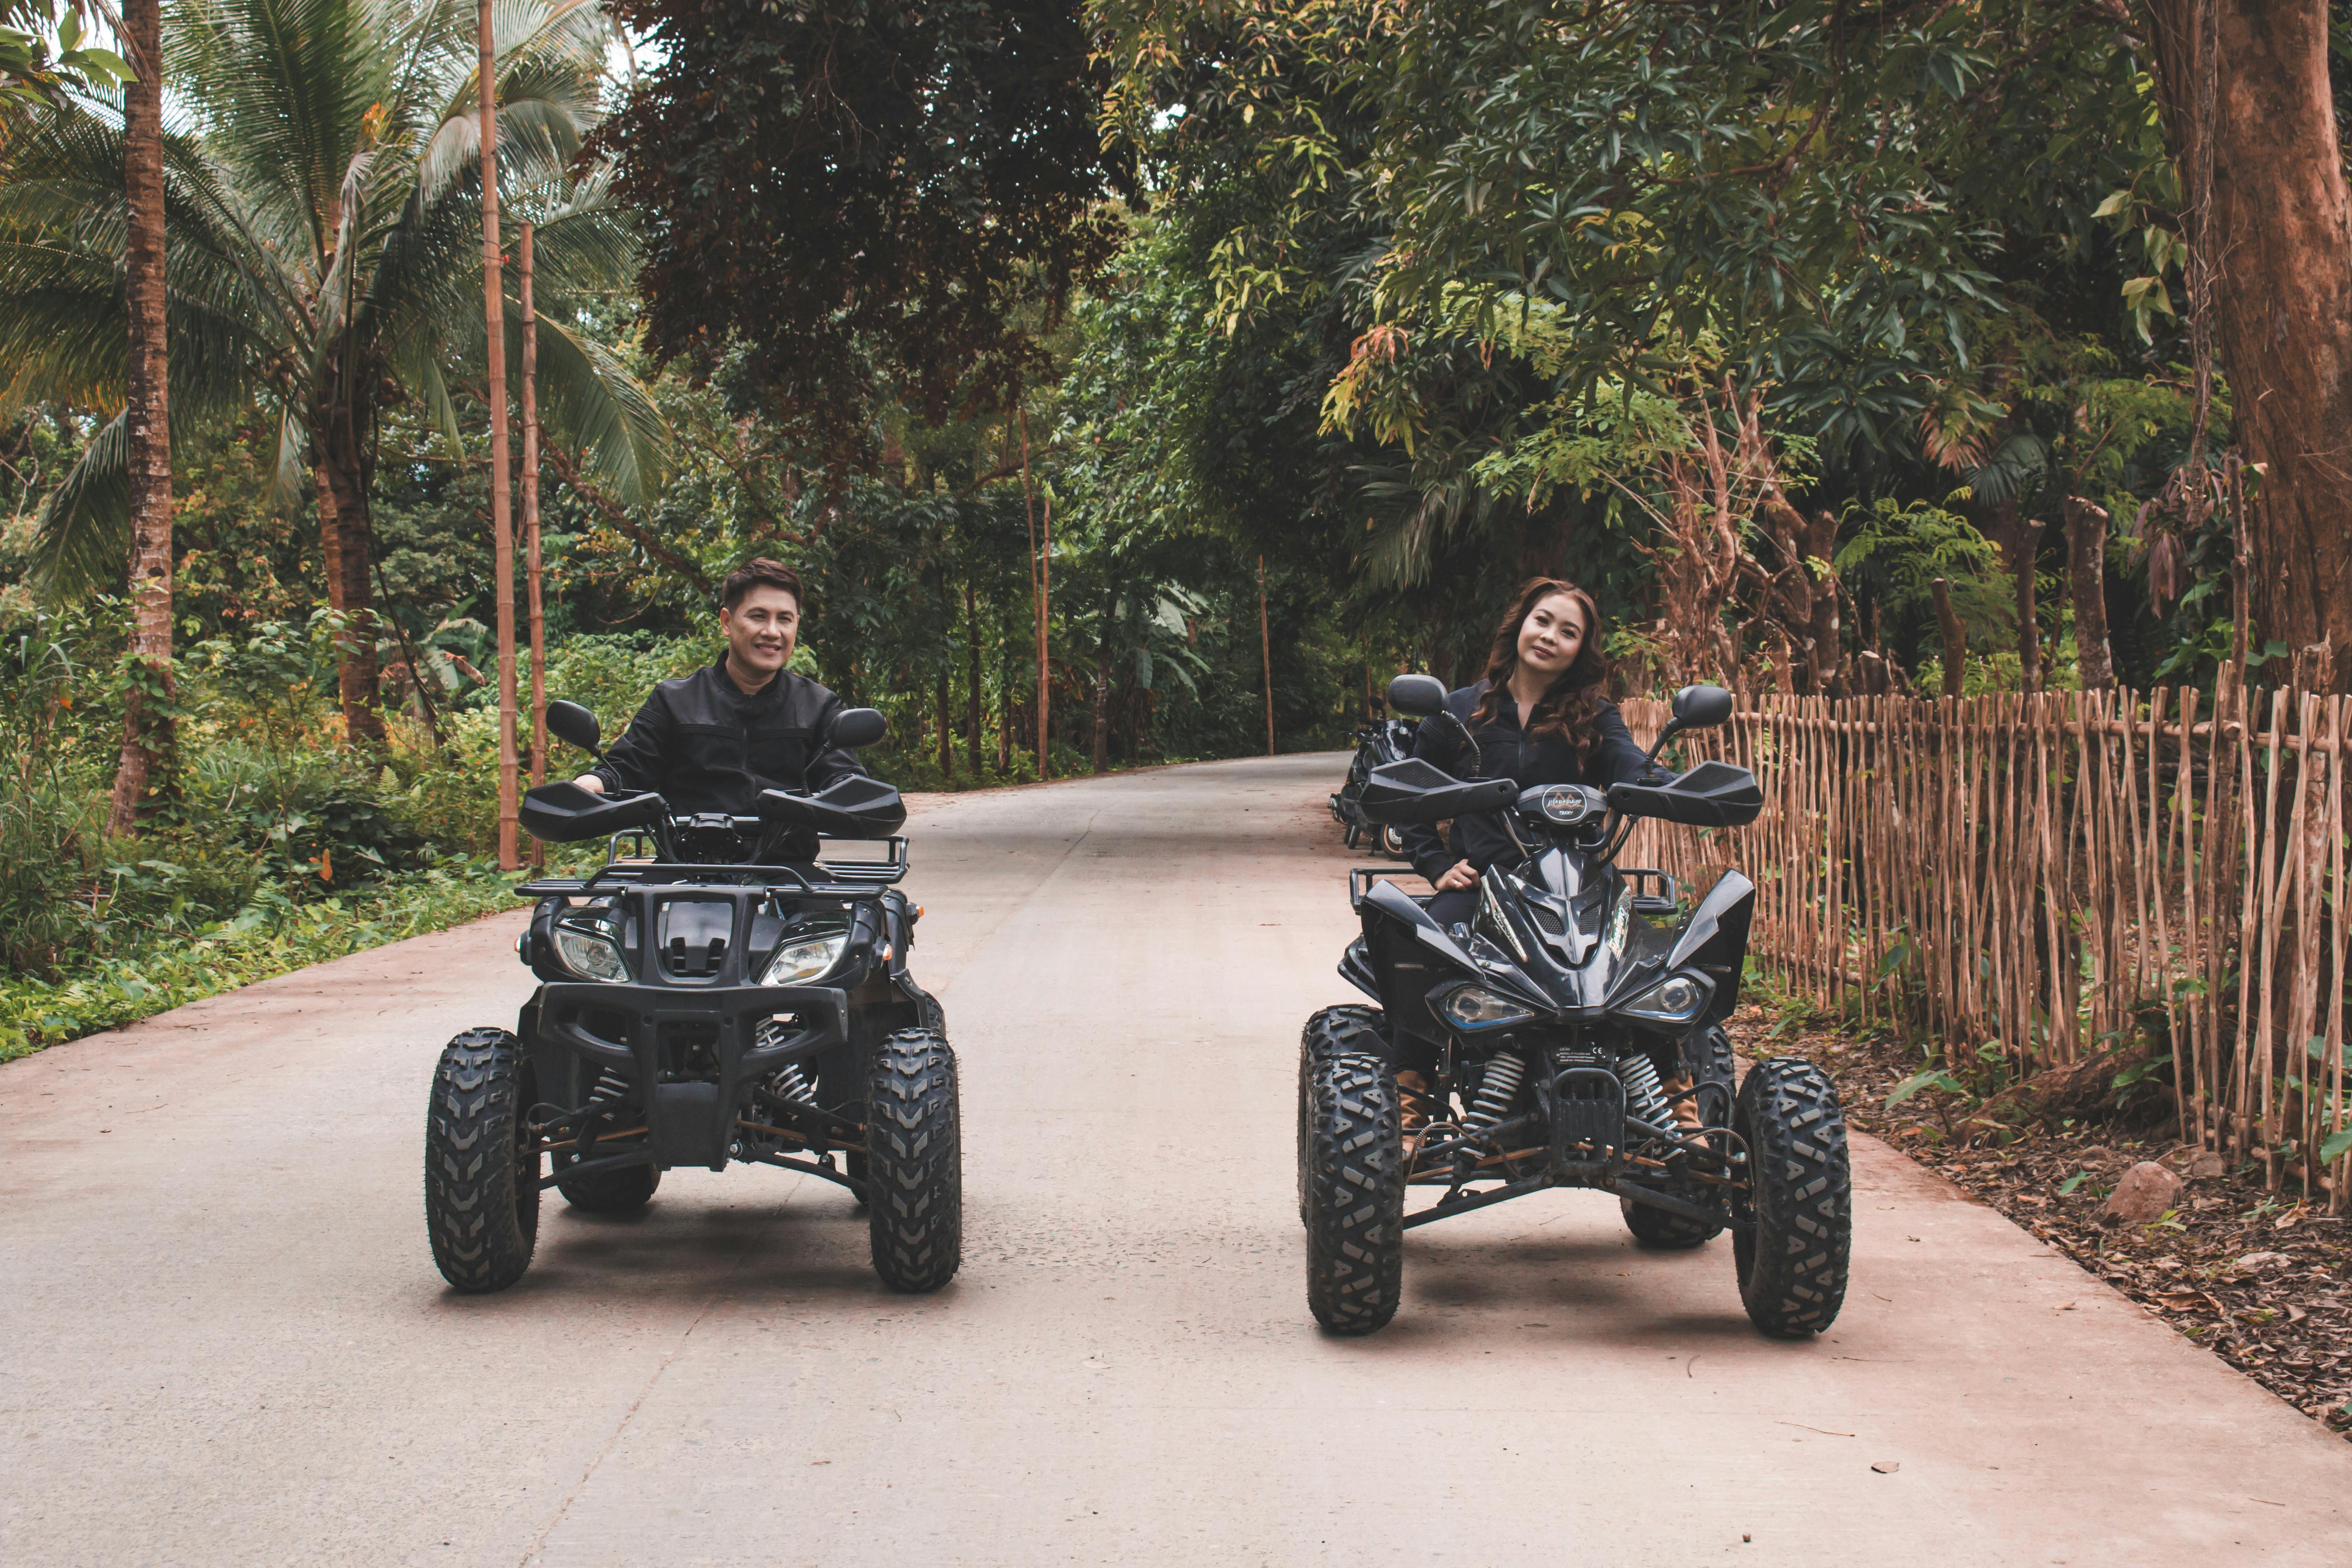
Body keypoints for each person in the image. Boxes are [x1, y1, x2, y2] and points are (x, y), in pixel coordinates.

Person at [1391, 577, 1662, 1142]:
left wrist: (1664, 786)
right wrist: (1435, 864)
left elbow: (1633, 767)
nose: (1550, 637)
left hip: (1581, 888)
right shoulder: (1458, 711)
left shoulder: (1595, 715)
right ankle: (1410, 1090)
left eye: (1568, 632)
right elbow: (1407, 793)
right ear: (1520, 624)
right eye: (1543, 621)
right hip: (1482, 886)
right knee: (1427, 947)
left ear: (1580, 650)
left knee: (1652, 966)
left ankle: (1680, 1108)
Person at [572, 558, 868, 848]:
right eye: (758, 616)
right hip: (683, 873)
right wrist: (592, 784)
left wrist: (854, 791)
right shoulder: (674, 700)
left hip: (789, 877)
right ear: (727, 622)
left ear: (796, 626)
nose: (773, 632)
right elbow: (628, 768)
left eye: (785, 619)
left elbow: (842, 775)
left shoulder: (818, 704)